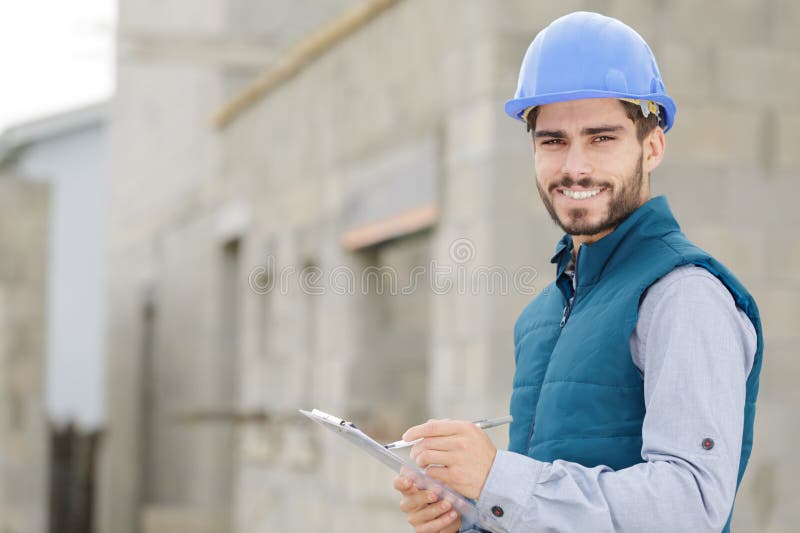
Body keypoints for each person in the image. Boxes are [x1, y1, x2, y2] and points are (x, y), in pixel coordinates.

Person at [393, 11, 763, 533]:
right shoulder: (543, 314)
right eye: (553, 141)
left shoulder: (684, 297)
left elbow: (692, 506)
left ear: (652, 146)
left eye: (602, 138)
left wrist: (498, 477)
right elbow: (549, 503)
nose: (575, 166)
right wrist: (471, 512)